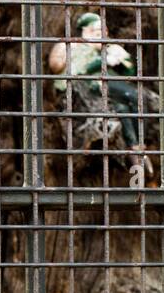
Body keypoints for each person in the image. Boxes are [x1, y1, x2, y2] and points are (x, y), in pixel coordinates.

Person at [48, 11, 153, 177]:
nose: (103, 36)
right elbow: (68, 69)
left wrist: (121, 59)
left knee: (122, 107)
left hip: (102, 85)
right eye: (97, 33)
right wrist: (103, 60)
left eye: (104, 33)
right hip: (85, 89)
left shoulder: (107, 48)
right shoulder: (75, 47)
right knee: (135, 97)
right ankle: (136, 148)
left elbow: (129, 69)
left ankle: (136, 148)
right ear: (86, 32)